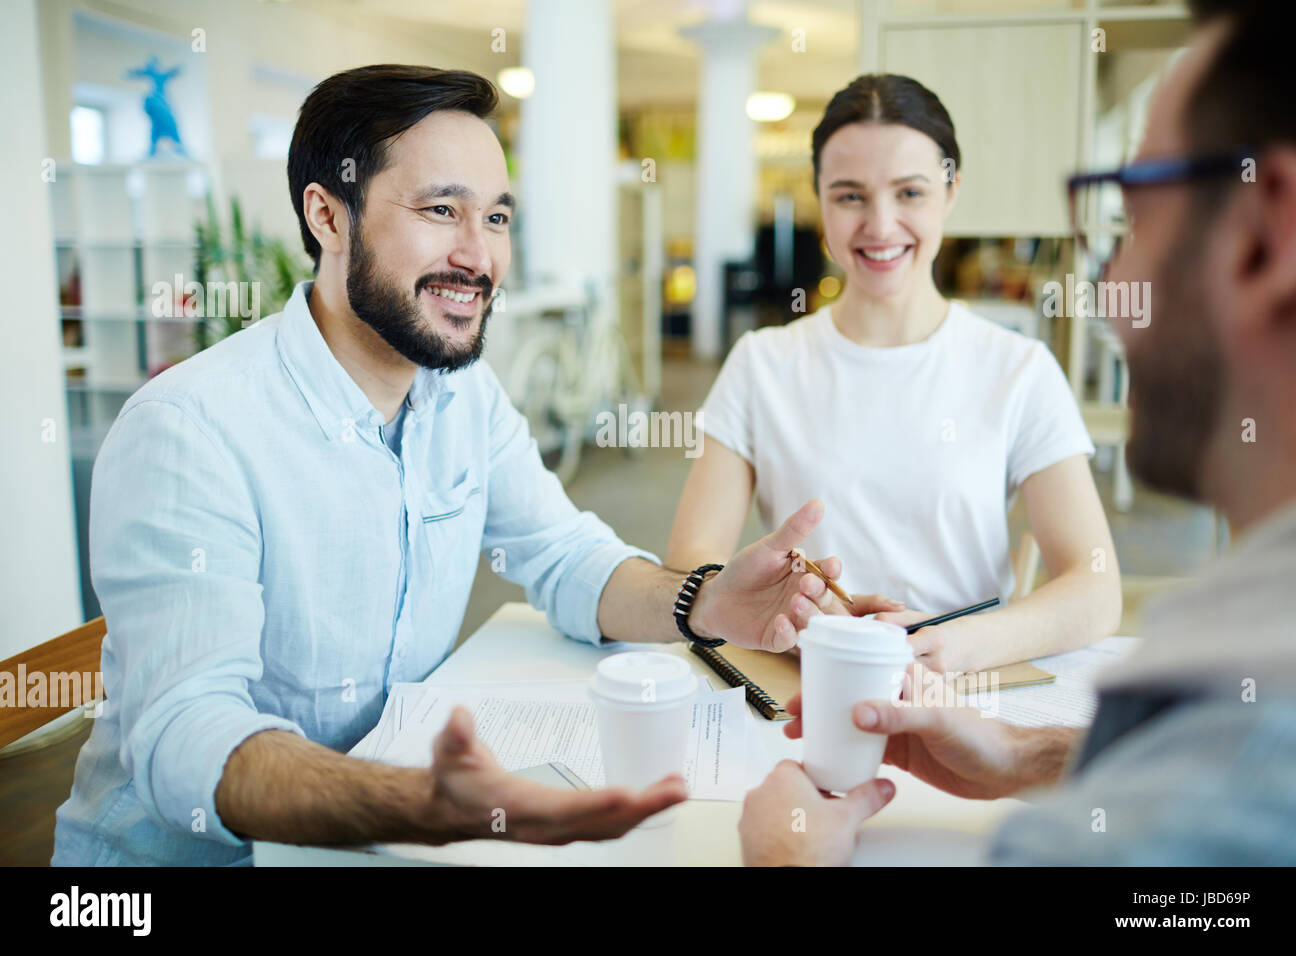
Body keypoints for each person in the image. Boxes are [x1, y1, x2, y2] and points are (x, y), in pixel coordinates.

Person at [51, 65, 858, 866]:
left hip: (383, 842)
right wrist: (416, 805)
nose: (480, 257)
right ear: (328, 217)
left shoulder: (459, 396)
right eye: (442, 210)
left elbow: (563, 554)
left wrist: (708, 601)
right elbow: (187, 741)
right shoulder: (189, 431)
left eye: (497, 217)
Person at [738, 0, 1296, 866]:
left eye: (1134, 205)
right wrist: (1020, 756)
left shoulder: (1248, 718)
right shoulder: (1232, 667)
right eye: (850, 195)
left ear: (1270, 238)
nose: (1110, 275)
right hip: (903, 724)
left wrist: (783, 859)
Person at [667, 73, 1120, 676]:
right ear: (820, 201)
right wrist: (779, 609)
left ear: (950, 191)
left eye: (909, 193)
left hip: (962, 692)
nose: (880, 226)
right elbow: (689, 565)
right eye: (850, 196)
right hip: (807, 686)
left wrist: (959, 644)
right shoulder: (761, 364)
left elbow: (1095, 586)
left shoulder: (1018, 368)